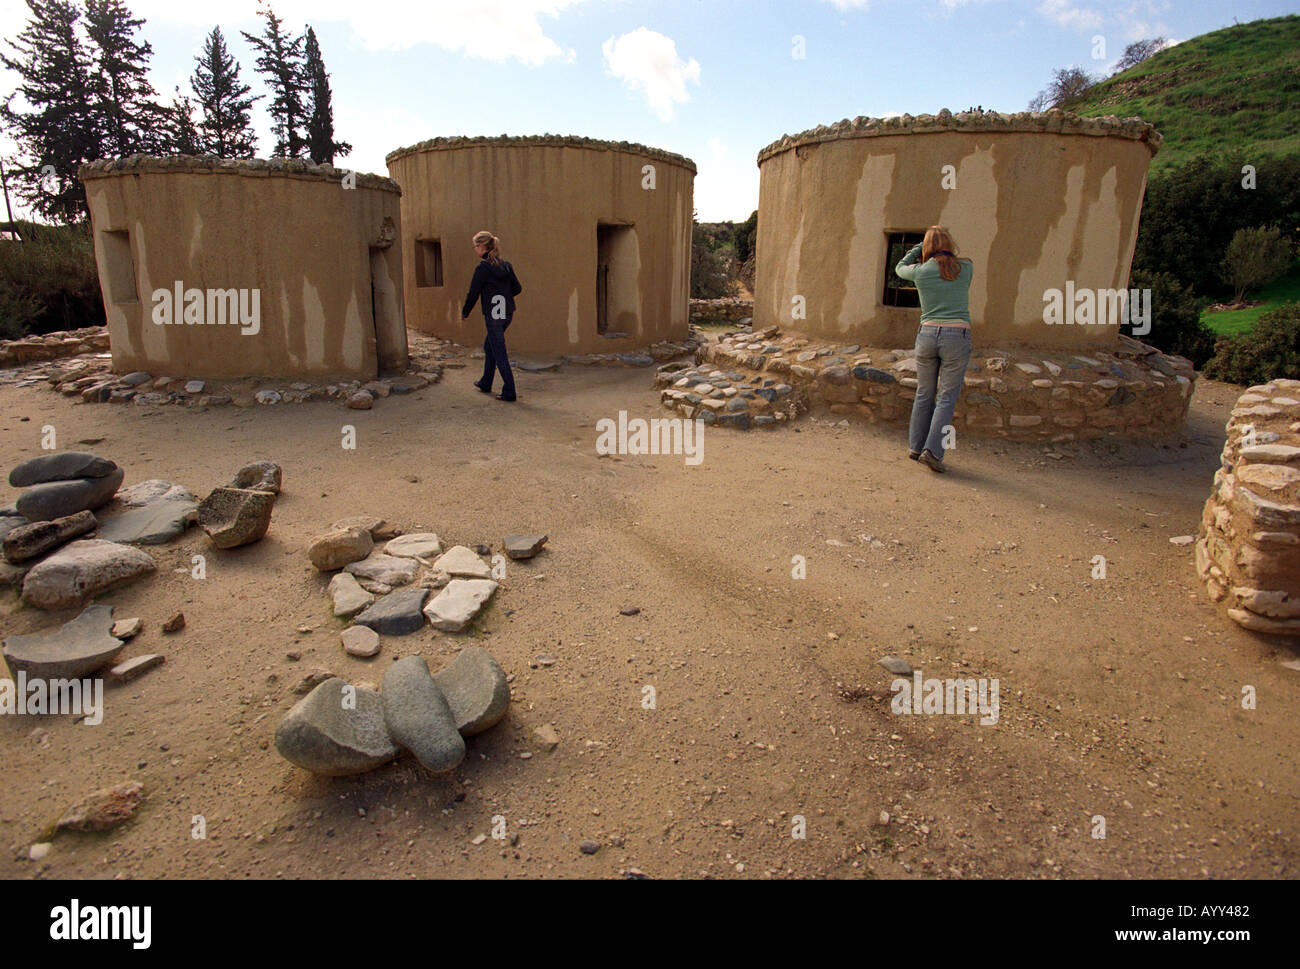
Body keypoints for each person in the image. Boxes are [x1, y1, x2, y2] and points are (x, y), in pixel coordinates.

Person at [895, 225, 974, 473]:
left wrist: (918, 249)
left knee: (924, 393)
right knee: (946, 397)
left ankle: (916, 447)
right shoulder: (967, 268)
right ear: (950, 244)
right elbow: (951, 269)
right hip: (956, 336)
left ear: (927, 247)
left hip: (927, 334)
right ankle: (932, 451)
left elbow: (898, 268)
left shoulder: (920, 271)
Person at [462, 230, 523, 402]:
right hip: (507, 312)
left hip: (494, 314)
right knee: (489, 347)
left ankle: (509, 392)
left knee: (499, 351)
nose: (475, 249)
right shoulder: (506, 266)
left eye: (475, 246)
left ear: (482, 246)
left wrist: (465, 311)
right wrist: (503, 293)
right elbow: (517, 289)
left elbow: (473, 292)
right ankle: (485, 382)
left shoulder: (483, 268)